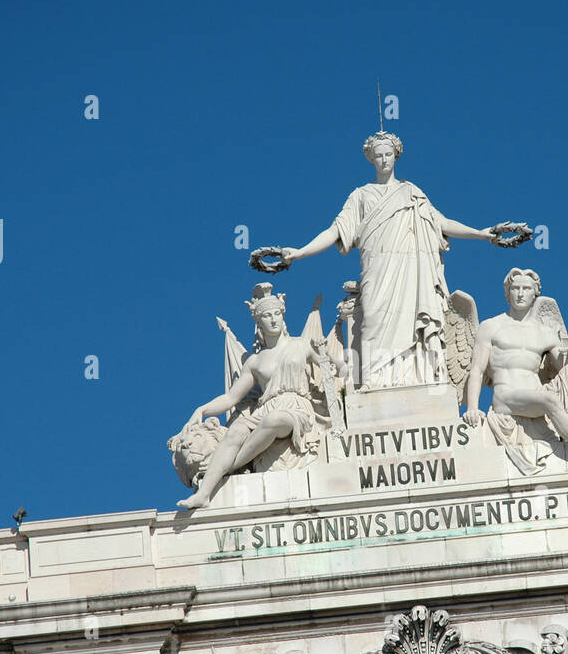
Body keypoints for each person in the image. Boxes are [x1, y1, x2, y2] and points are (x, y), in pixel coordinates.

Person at [281, 131, 499, 388]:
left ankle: (418, 378)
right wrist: (300, 252)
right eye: (378, 156)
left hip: (411, 271)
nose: (384, 160)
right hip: (377, 270)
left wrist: (480, 234)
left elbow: (443, 223)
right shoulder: (361, 196)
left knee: (413, 317)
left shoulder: (412, 193)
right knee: (372, 320)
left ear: (396, 156)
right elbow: (335, 231)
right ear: (371, 159)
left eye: (388, 154)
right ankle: (373, 380)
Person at [462, 268, 568, 468]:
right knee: (549, 399)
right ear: (508, 292)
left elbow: (566, 368)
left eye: (526, 289)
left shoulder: (545, 332)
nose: (520, 293)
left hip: (537, 393)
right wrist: (472, 408)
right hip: (506, 396)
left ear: (535, 293)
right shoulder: (491, 326)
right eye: (515, 288)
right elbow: (477, 370)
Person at [176, 284, 326, 509]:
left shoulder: (301, 345)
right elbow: (231, 398)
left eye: (277, 314)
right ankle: (204, 494)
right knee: (236, 430)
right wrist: (202, 410)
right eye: (267, 316)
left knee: (274, 420)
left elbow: (331, 366)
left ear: (283, 315)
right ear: (259, 322)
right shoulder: (255, 362)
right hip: (266, 408)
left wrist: (337, 362)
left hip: (295, 407)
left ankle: (228, 467)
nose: (273, 320)